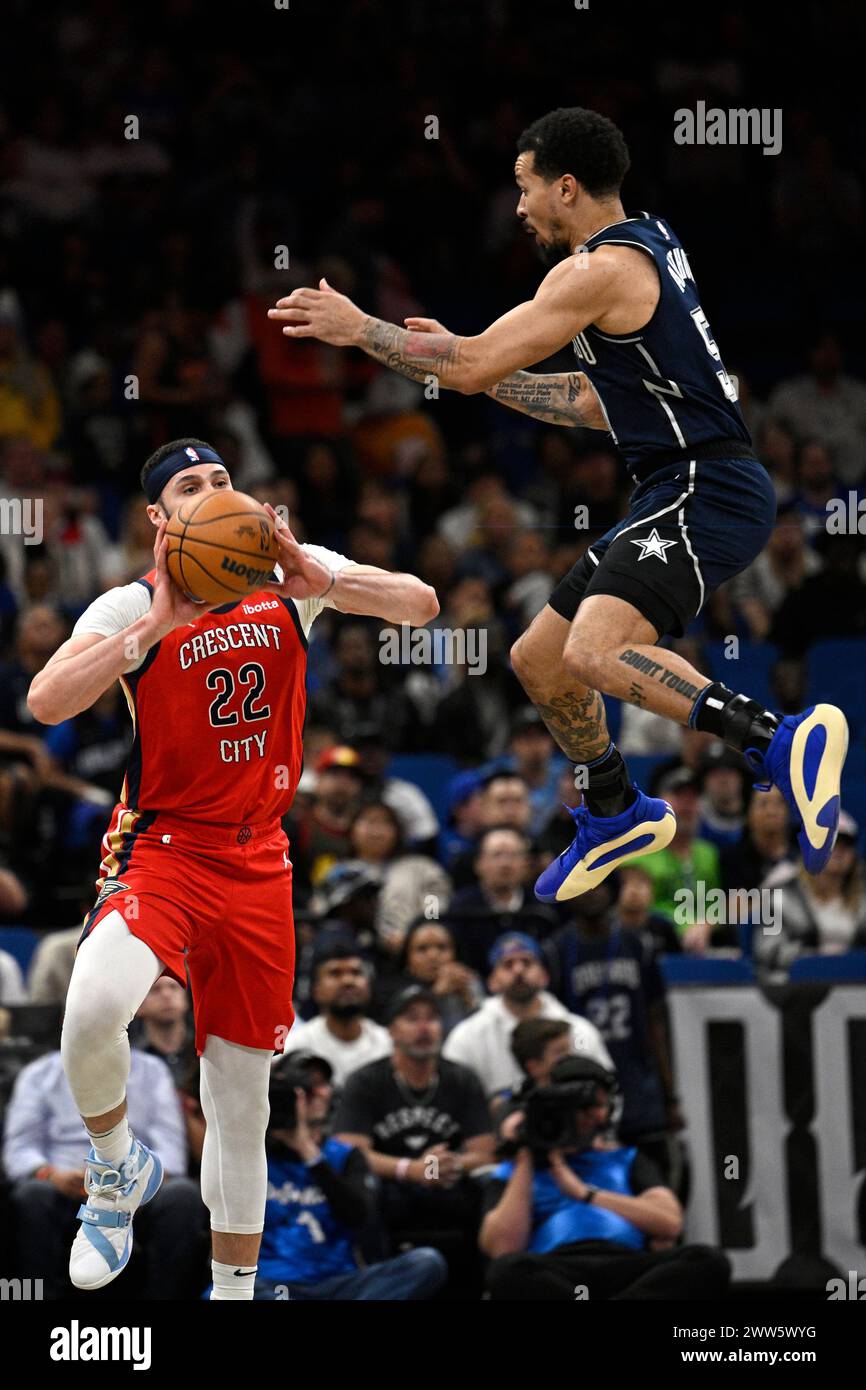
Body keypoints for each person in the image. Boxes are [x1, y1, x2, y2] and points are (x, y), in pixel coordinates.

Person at [270, 105, 848, 903]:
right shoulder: (650, 245)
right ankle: (615, 807)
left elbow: (467, 368)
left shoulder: (594, 271)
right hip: (683, 484)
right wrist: (460, 359)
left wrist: (360, 328)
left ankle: (777, 742)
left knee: (593, 653)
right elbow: (584, 399)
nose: (518, 205)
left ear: (566, 185)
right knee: (539, 657)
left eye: (525, 185)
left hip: (701, 486)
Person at [25, 436, 438, 1298]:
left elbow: (423, 604)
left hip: (261, 861)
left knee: (243, 1103)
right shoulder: (123, 604)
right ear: (159, 519)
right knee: (92, 1009)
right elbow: (46, 701)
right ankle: (115, 1173)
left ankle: (236, 1292)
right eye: (190, 486)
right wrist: (153, 629)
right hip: (165, 849)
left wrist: (323, 583)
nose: (214, 492)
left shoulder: (290, 576)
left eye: (222, 479)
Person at [480, 1057, 730, 1301]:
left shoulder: (626, 1158)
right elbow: (502, 1247)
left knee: (708, 1260)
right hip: (557, 1269)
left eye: (600, 1107)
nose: (595, 1117)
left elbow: (670, 1222)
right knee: (506, 1270)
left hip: (627, 1265)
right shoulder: (518, 1167)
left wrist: (586, 1194)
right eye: (585, 1108)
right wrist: (528, 1151)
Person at [3, 1044, 205, 1300]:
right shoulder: (39, 1073)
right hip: (64, 1187)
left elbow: (171, 1148)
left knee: (182, 1194)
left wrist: (135, 1183)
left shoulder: (153, 1071)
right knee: (32, 1194)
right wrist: (51, 1175)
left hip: (136, 1186)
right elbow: (20, 1148)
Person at [332, 985, 494, 1296]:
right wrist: (412, 1169)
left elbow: (486, 1153)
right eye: (412, 1018)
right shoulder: (366, 1080)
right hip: (390, 1185)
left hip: (449, 1183)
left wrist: (446, 1165)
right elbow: (349, 1150)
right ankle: (374, 1281)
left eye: (432, 1018)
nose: (424, 1027)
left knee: (491, 1183)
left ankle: (482, 1287)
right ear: (391, 1030)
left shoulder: (462, 1079)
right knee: (362, 1186)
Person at [250, 1052, 447, 1301]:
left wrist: (309, 1153)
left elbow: (359, 1216)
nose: (317, 1093)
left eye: (322, 1085)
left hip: (339, 1283)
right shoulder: (256, 1152)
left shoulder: (345, 1156)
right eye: (306, 1086)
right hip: (274, 1284)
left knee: (426, 1263)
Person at [442, 933, 612, 1103]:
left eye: (527, 962)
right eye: (508, 964)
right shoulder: (467, 1036)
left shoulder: (578, 1030)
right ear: (492, 982)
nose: (518, 970)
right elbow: (451, 1099)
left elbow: (608, 1090)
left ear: (545, 977)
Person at [754, 812, 866, 977]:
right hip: (799, 989)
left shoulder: (863, 901)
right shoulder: (781, 895)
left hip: (855, 990)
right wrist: (815, 959)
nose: (838, 851)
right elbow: (766, 948)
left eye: (845, 845)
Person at [444, 825, 559, 974]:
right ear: (478, 864)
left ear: (525, 864)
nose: (505, 864)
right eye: (497, 855)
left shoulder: (542, 906)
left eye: (513, 855)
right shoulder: (461, 908)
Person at [282, 943, 392, 1085]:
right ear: (316, 990)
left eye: (356, 972)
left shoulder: (388, 1045)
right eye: (335, 973)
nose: (348, 981)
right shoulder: (296, 1045)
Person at [393, 919, 484, 1036]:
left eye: (442, 947)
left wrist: (469, 997)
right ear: (407, 958)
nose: (433, 956)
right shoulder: (394, 990)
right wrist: (437, 993)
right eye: (422, 949)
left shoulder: (467, 980)